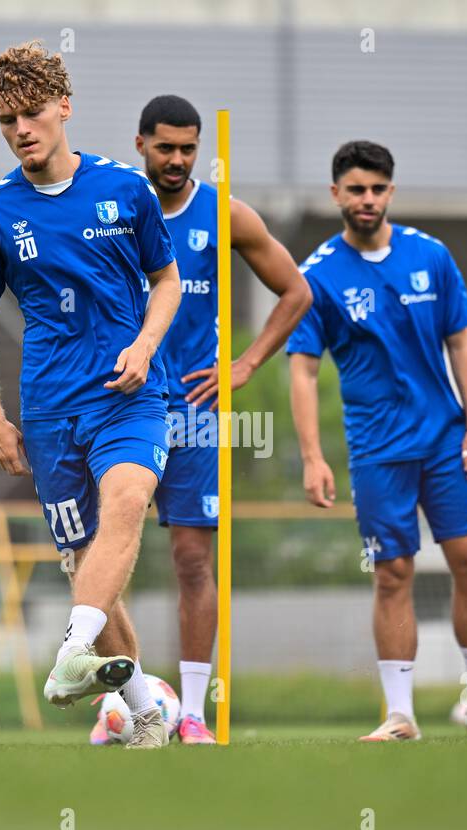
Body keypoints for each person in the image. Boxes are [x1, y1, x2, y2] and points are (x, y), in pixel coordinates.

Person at [0, 42, 182, 748]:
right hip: (51, 410)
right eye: (6, 120)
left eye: (31, 114)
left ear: (64, 108)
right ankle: (145, 710)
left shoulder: (126, 189)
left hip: (131, 394)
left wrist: (145, 345)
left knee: (126, 504)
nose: (21, 129)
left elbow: (167, 281)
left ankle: (66, 656)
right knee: (90, 568)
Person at [87, 94, 312, 745]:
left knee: (191, 559)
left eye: (189, 148)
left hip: (194, 410)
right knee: (105, 555)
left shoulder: (224, 212)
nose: (179, 160)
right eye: (166, 148)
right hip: (120, 400)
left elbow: (297, 292)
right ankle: (126, 704)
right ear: (140, 144)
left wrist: (244, 365)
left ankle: (189, 712)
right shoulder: (110, 207)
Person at [288, 141, 467, 741]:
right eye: (356, 189)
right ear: (336, 195)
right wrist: (312, 457)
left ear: (391, 193)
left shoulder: (431, 255)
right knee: (393, 572)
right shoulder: (317, 274)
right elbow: (303, 369)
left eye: (378, 189)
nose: (367, 200)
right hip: (377, 449)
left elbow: (460, 342)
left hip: (447, 439)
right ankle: (400, 713)